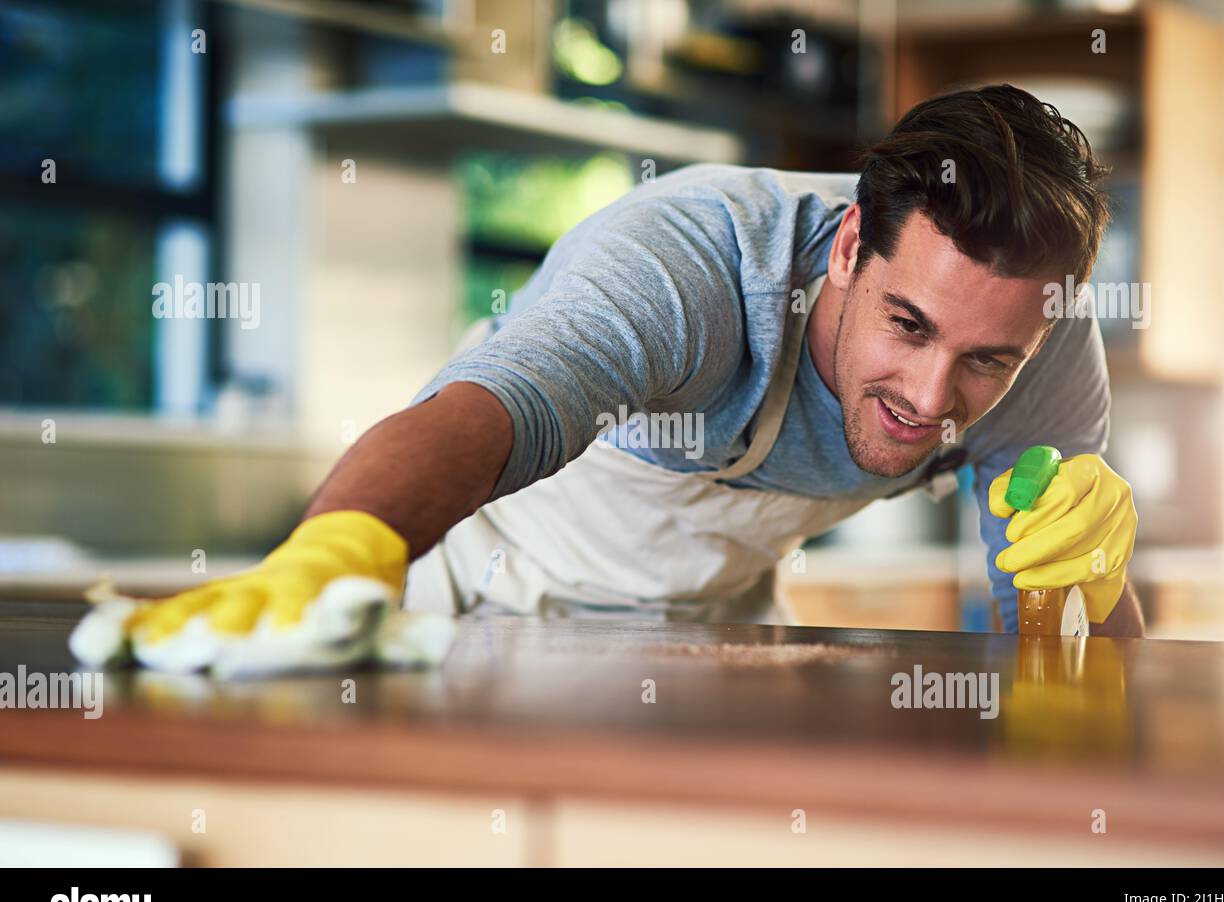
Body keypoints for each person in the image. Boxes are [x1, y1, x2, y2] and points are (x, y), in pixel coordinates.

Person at [74, 84, 1144, 674]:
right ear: (848, 244)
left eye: (984, 363)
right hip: (489, 621)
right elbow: (503, 400)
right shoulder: (697, 259)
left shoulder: (1042, 337)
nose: (928, 393)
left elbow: (1056, 644)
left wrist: (1096, 611)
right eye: (905, 325)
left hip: (722, 647)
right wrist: (337, 548)